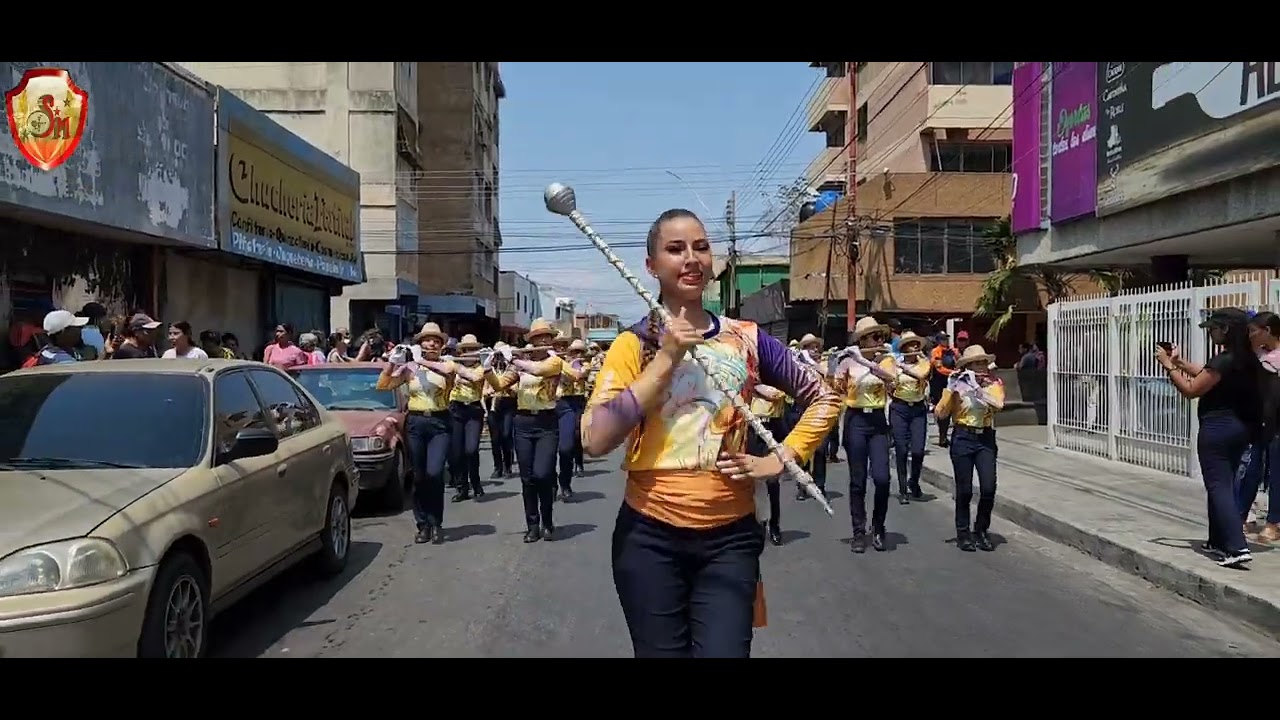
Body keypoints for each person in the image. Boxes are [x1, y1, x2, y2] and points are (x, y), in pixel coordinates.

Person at [582, 207, 841, 658]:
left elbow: (825, 397)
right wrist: (664, 359)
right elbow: (595, 439)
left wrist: (780, 458)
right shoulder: (634, 344)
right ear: (651, 265)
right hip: (648, 538)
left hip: (731, 538)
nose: (691, 258)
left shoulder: (747, 338)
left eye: (701, 247)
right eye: (675, 249)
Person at [1158, 307, 1264, 567]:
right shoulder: (1245, 359)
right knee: (1224, 485)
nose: (1211, 334)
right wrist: (1181, 363)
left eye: (1214, 328)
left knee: (1219, 487)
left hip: (1217, 429)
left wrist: (1169, 367)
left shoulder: (1224, 360)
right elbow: (1207, 378)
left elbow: (1192, 390)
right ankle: (1218, 540)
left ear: (1225, 329)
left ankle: (1236, 547)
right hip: (1240, 429)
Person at [377, 322, 456, 545]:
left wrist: (419, 359)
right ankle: (423, 524)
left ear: (442, 346)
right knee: (419, 476)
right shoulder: (410, 370)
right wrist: (392, 363)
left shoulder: (447, 364)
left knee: (435, 473)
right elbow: (383, 385)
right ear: (419, 343)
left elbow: (449, 375)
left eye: (436, 341)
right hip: (416, 422)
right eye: (426, 340)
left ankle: (436, 523)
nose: (431, 343)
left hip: (440, 422)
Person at [484, 319, 563, 542]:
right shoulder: (519, 366)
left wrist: (515, 359)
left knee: (543, 474)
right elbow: (499, 385)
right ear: (532, 340)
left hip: (547, 423)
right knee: (527, 478)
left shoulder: (554, 362)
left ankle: (547, 521)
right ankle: (533, 525)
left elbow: (539, 370)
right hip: (523, 422)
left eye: (547, 336)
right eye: (539, 337)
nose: (543, 340)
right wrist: (488, 367)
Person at [934, 344, 1005, 552]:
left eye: (984, 362)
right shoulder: (958, 385)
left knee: (988, 487)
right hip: (963, 437)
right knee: (964, 490)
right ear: (968, 366)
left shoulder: (994, 383)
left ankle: (981, 530)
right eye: (977, 363)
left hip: (985, 439)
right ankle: (963, 533)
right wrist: (950, 388)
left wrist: (978, 390)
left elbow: (999, 405)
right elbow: (941, 413)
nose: (982, 366)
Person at [837, 316, 899, 553]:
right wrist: (839, 363)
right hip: (856, 420)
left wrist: (865, 360)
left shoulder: (887, 360)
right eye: (873, 336)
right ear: (862, 340)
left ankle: (879, 526)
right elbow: (836, 387)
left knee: (882, 479)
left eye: (880, 336)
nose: (878, 340)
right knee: (857, 481)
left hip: (877, 421)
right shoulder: (849, 362)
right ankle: (858, 532)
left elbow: (890, 379)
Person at [1239, 311, 1280, 542]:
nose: (1251, 335)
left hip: (1276, 424)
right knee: (1251, 470)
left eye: (1254, 331)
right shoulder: (1255, 354)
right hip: (1257, 423)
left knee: (1276, 473)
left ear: (1266, 331)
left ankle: (1274, 522)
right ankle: (1241, 516)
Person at [888, 331, 931, 502]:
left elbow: (922, 375)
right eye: (910, 345)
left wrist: (903, 368)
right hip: (900, 408)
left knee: (918, 450)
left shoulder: (924, 364)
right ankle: (903, 488)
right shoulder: (894, 365)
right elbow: (889, 385)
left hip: (918, 409)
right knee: (901, 449)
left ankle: (914, 481)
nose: (914, 348)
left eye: (916, 345)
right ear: (904, 348)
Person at [447, 334, 487, 502]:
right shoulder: (453, 365)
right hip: (456, 408)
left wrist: (458, 374)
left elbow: (476, 378)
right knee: (456, 453)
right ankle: (461, 487)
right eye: (467, 350)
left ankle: (475, 481)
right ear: (462, 351)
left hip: (473, 409)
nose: (470, 353)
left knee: (471, 449)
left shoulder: (481, 367)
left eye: (473, 350)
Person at [748, 379, 788, 546]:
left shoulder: (776, 377)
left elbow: (776, 395)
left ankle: (774, 526)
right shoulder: (746, 379)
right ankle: (757, 523)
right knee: (752, 479)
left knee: (772, 481)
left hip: (772, 427)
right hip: (751, 427)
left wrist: (756, 387)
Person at [792, 334, 831, 503]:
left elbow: (829, 376)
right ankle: (802, 484)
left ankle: (820, 485)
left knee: (821, 449)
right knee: (803, 449)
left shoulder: (823, 364)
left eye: (816, 347)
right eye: (809, 347)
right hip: (802, 407)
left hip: (821, 408)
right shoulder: (797, 364)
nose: (814, 350)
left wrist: (813, 363)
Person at [555, 338, 591, 500]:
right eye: (574, 351)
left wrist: (569, 364)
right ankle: (551, 483)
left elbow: (575, 376)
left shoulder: (585, 365)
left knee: (568, 445)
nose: (577, 354)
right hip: (557, 403)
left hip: (575, 403)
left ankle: (565, 481)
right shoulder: (557, 362)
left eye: (580, 351)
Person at [485, 342, 517, 479]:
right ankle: (497, 467)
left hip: (508, 403)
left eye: (501, 355)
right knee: (495, 438)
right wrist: (488, 392)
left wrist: (503, 387)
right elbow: (484, 389)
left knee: (506, 435)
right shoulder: (490, 370)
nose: (498, 358)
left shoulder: (512, 369)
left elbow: (516, 390)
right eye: (496, 355)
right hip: (493, 404)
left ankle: (508, 466)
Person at [929, 332, 959, 446]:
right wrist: (953, 372)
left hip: (951, 382)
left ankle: (949, 435)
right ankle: (942, 436)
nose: (945, 341)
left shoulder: (951, 351)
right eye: (942, 339)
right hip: (939, 384)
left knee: (954, 409)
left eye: (946, 338)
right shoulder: (936, 351)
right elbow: (939, 368)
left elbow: (959, 362)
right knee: (943, 410)